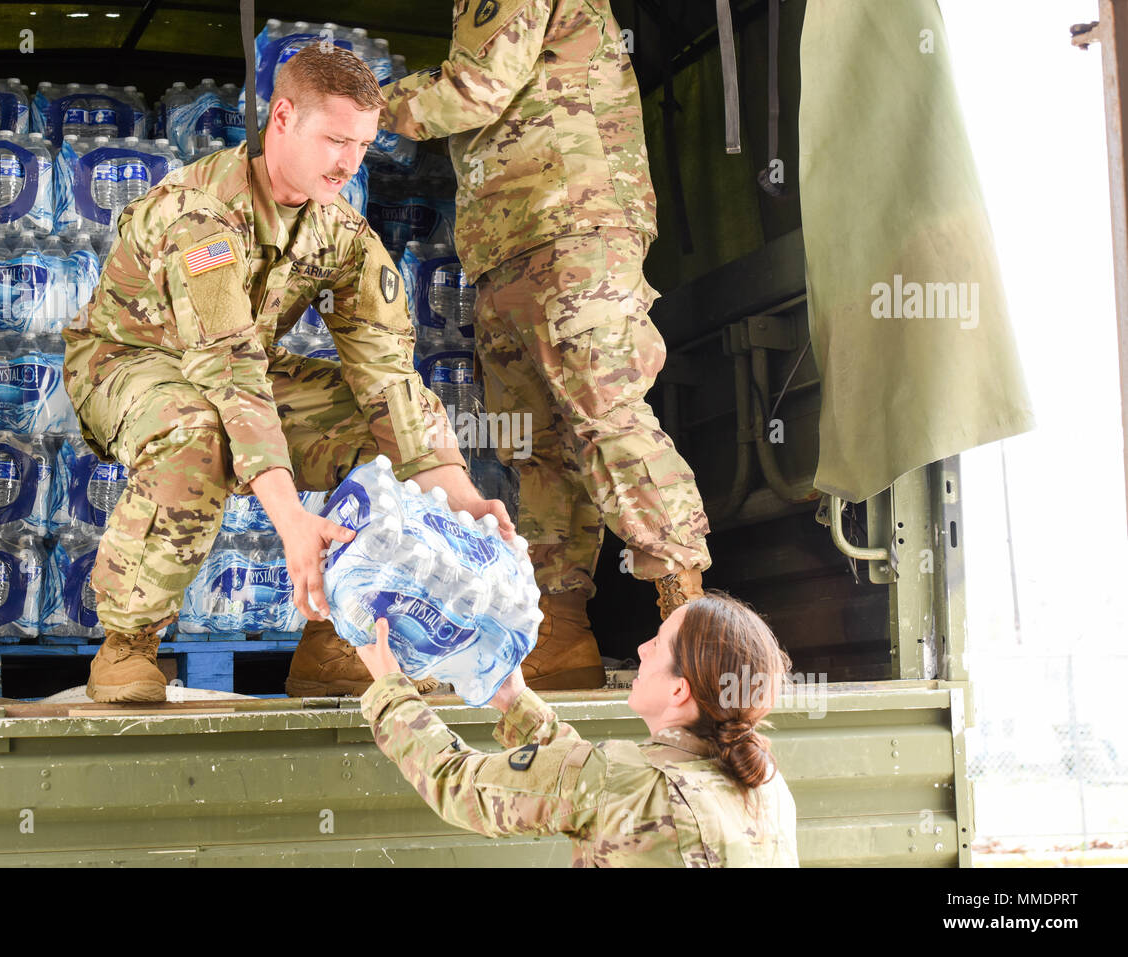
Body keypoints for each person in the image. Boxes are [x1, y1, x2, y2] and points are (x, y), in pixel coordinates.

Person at [62, 45, 514, 703]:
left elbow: (390, 378)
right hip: (131, 363)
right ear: (281, 119)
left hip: (240, 365)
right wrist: (292, 523)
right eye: (334, 138)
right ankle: (128, 645)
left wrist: (461, 499)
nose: (348, 161)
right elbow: (227, 365)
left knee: (385, 435)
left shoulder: (338, 231)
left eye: (361, 143)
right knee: (197, 429)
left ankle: (339, 641)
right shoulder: (201, 214)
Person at [377, 0, 712, 691]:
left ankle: (690, 616)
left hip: (572, 225)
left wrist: (364, 103)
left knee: (606, 416)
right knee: (537, 450)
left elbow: (476, 87)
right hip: (512, 244)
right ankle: (560, 630)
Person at [357, 591, 799, 867]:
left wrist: (391, 690)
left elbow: (455, 784)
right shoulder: (765, 786)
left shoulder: (616, 780)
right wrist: (515, 703)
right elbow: (588, 783)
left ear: (680, 690)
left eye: (658, 642)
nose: (642, 648)